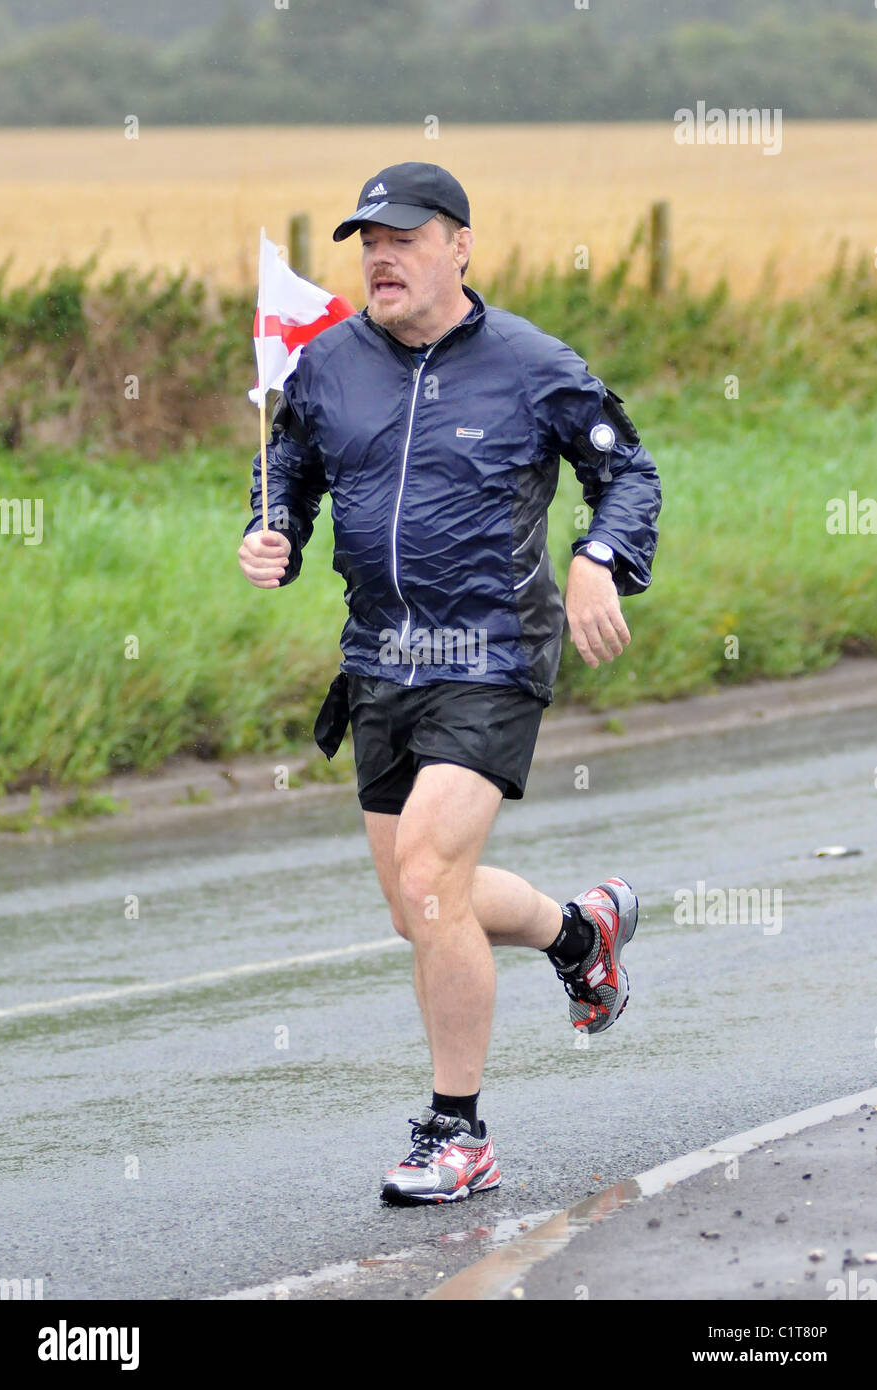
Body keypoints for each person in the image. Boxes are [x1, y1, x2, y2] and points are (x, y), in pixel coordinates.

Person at [238, 162, 661, 1206]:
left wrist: (598, 557)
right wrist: (273, 525)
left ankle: (457, 1133)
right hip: (379, 660)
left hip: (491, 654)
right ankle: (579, 930)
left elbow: (628, 474)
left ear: (459, 245)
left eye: (404, 238)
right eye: (367, 242)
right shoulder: (327, 365)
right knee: (423, 907)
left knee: (430, 878)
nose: (380, 257)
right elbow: (285, 462)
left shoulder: (531, 365)